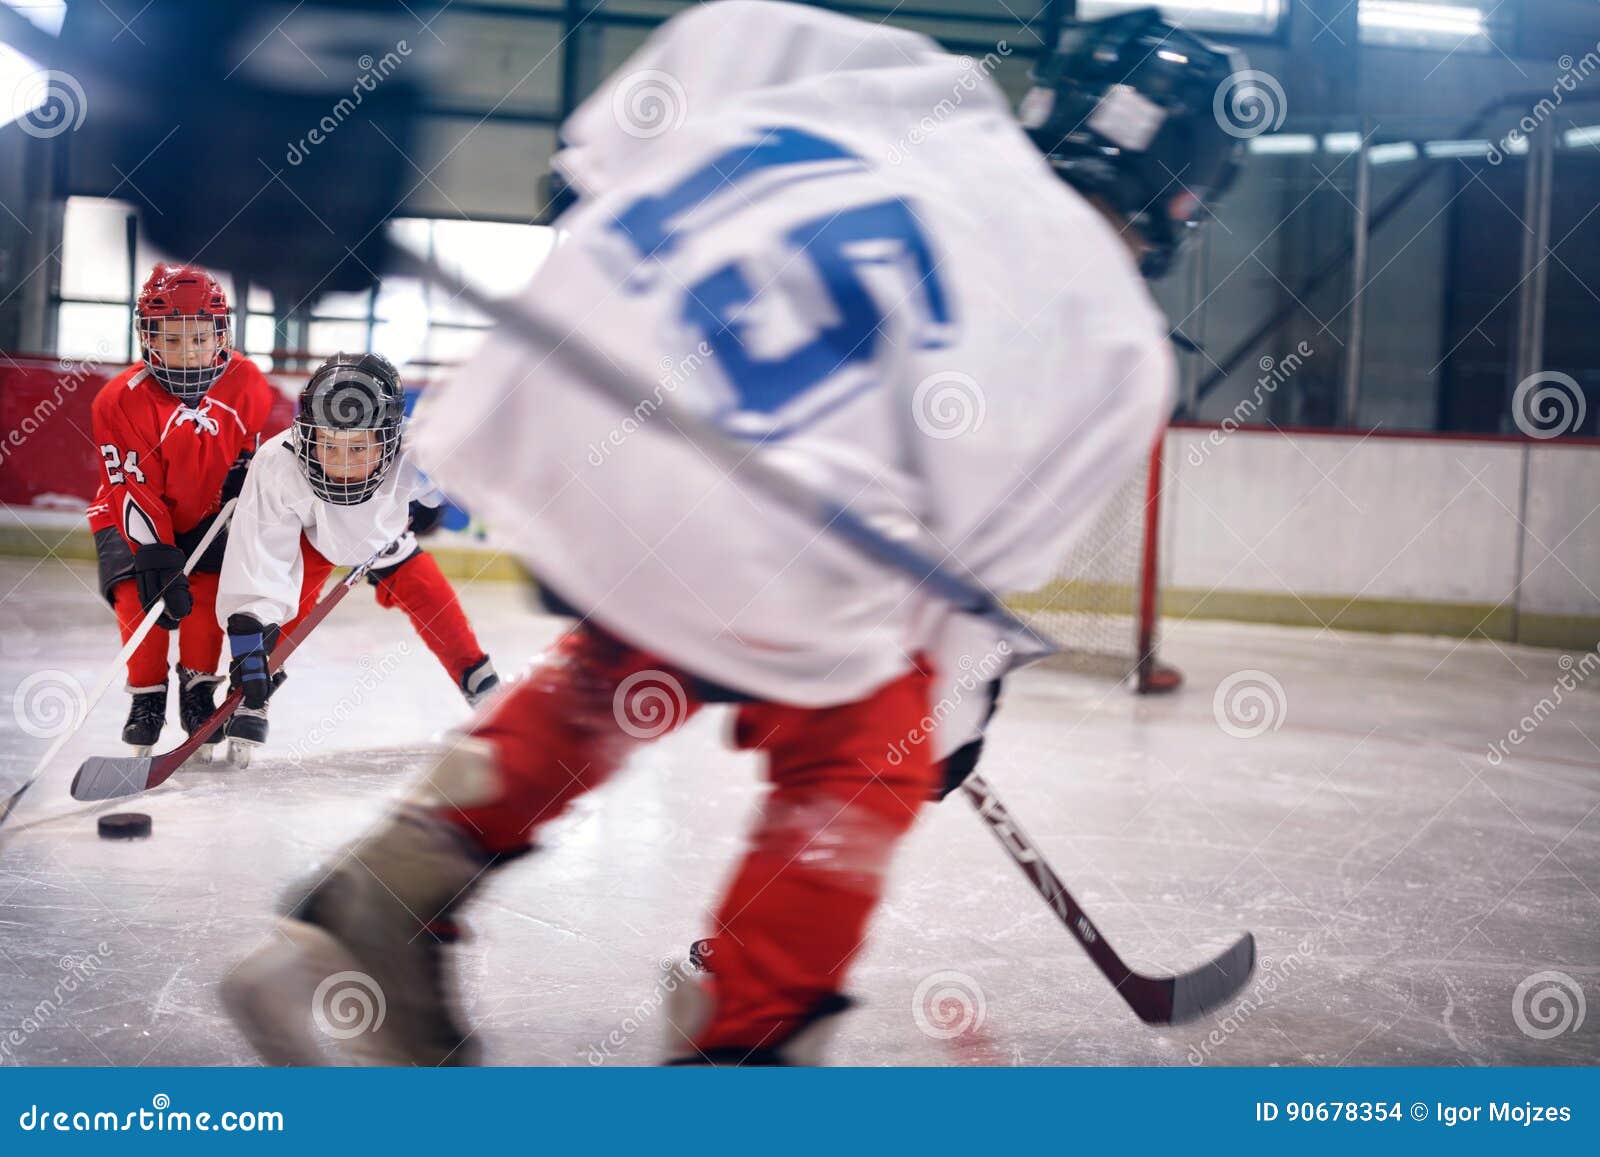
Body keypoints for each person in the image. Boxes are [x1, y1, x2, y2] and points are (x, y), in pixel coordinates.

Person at [223, 2, 1241, 1065]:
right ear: (1185, 194)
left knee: (640, 651)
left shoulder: (914, 93)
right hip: (742, 502)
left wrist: (599, 183)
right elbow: (960, 593)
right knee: (862, 746)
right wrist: (947, 723)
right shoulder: (1114, 339)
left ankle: (375, 908)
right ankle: (743, 1045)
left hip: (569, 389)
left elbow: (726, 38)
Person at [214, 351, 499, 765]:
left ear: (391, 437)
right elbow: (259, 557)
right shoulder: (278, 462)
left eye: (358, 448)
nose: (342, 464)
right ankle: (251, 692)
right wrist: (249, 633)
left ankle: (480, 681)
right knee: (283, 624)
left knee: (431, 596)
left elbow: (474, 471)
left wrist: (434, 500)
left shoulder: (421, 450)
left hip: (384, 539)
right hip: (314, 538)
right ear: (307, 433)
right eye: (328, 445)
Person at [87, 263, 274, 757]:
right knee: (137, 595)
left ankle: (198, 689)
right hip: (129, 510)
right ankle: (146, 697)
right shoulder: (117, 400)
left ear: (221, 335)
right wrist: (155, 550)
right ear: (147, 338)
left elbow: (256, 456)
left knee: (209, 596)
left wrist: (246, 471)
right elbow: (130, 484)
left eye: (197, 338)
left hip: (210, 511)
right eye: (170, 339)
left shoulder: (249, 382)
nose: (186, 352)